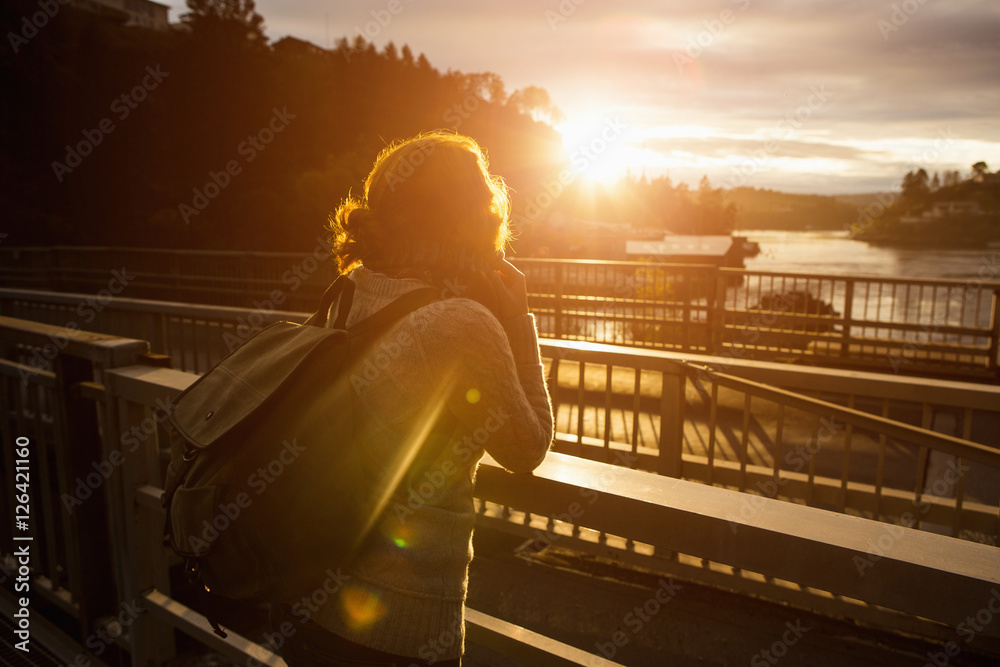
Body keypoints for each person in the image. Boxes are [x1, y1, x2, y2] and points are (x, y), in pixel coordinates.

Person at [268, 130, 554, 666]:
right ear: (476, 218)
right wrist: (518, 319)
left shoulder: (350, 289)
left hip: (303, 604)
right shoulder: (462, 323)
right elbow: (528, 447)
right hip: (398, 632)